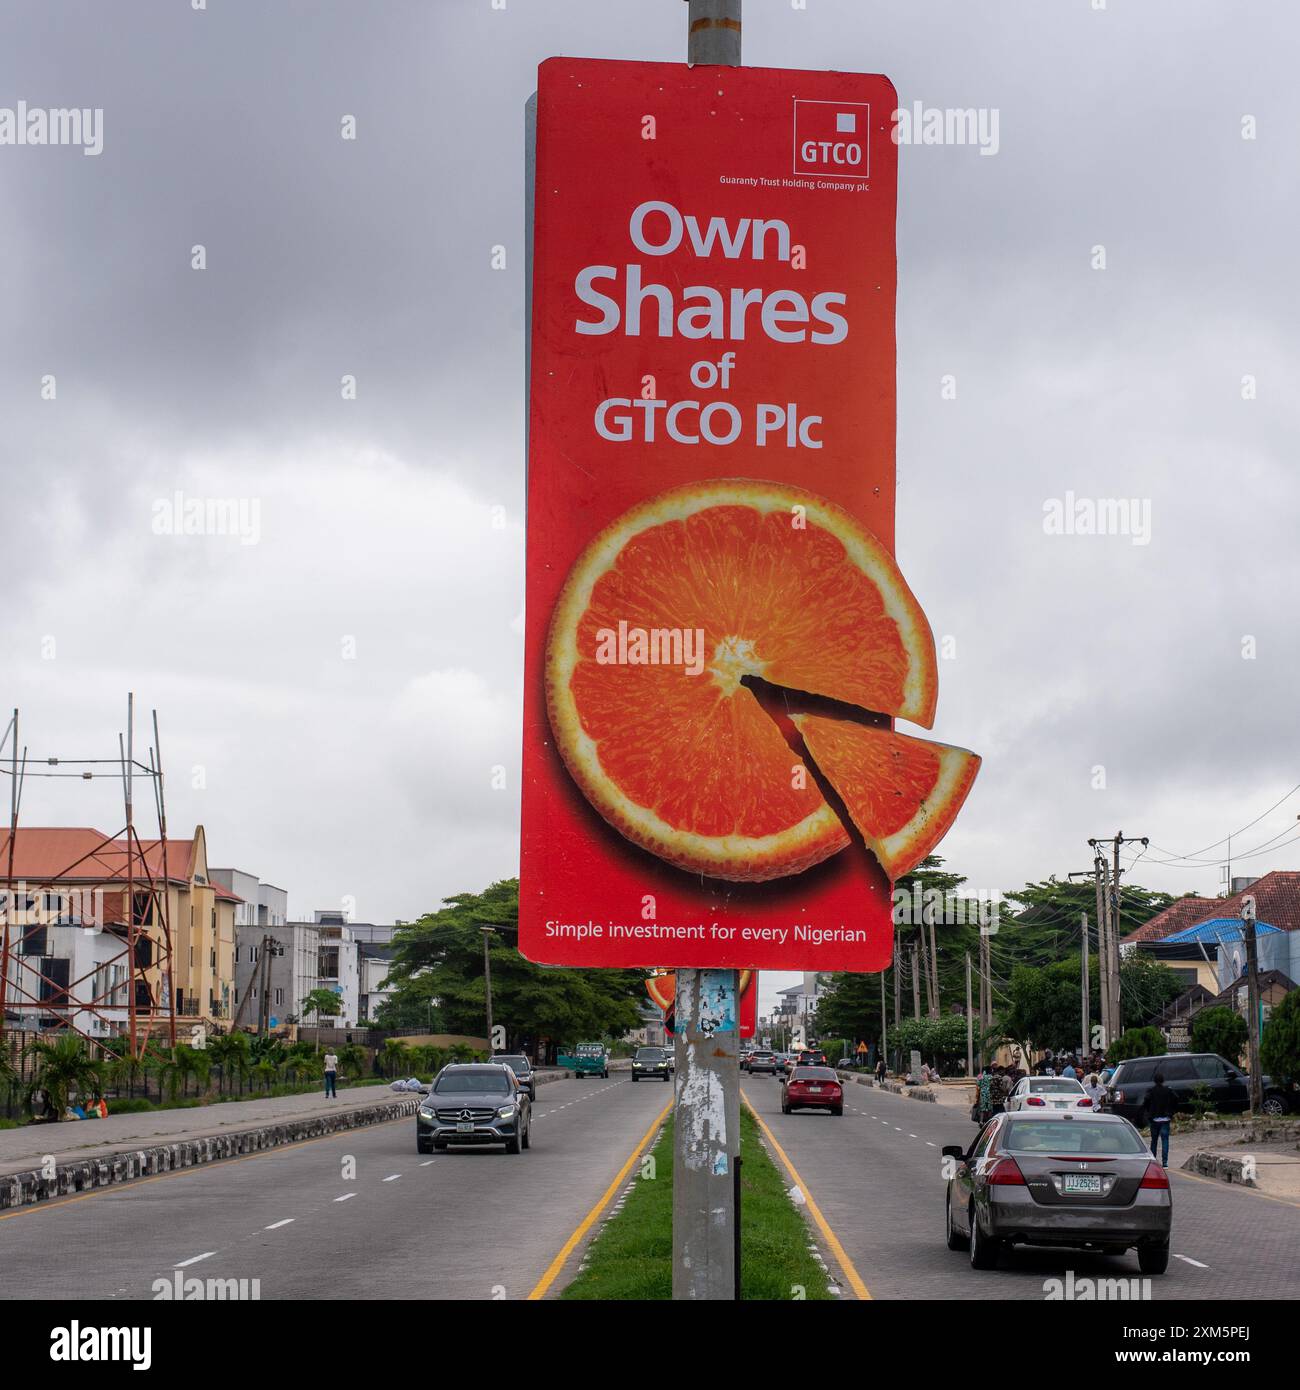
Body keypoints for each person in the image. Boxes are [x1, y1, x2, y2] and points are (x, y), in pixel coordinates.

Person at [1144, 1071, 1178, 1166]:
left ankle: (1153, 1161)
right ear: (1163, 1080)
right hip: (1165, 1119)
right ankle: (1165, 1162)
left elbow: (1146, 1101)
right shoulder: (1168, 1090)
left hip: (1154, 1119)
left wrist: (1149, 1111)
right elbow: (1176, 1099)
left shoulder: (1151, 1091)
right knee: (1165, 1140)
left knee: (1154, 1140)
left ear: (1154, 1081)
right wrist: (1171, 1111)